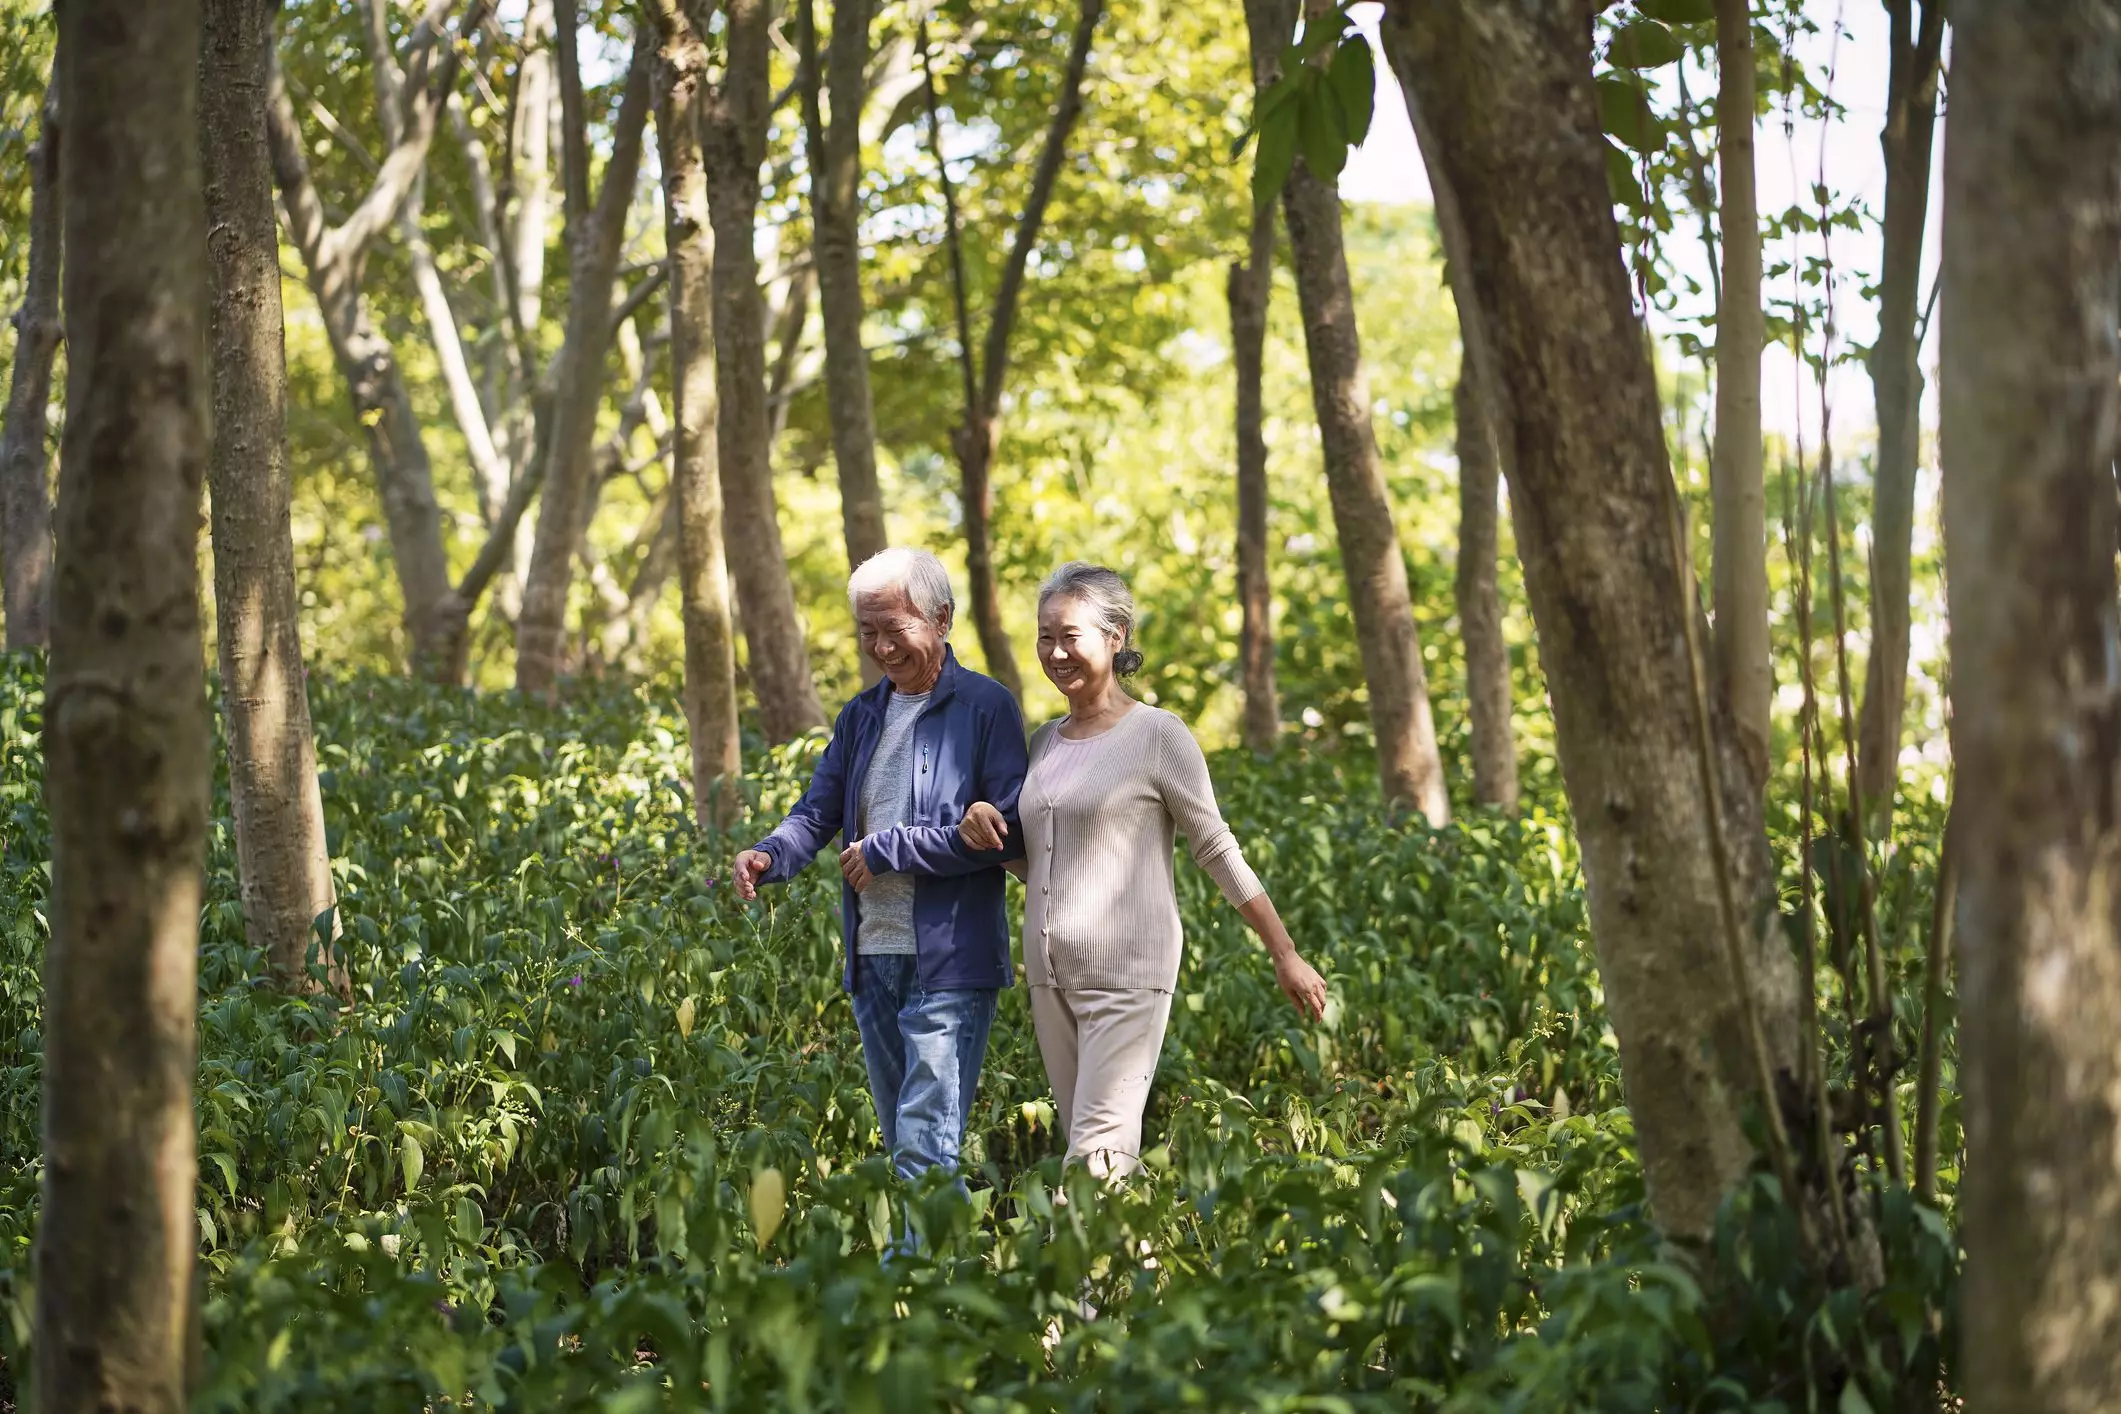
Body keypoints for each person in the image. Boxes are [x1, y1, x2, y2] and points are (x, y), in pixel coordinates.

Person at [959, 562, 1328, 1178]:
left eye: (1069, 635)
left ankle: (1072, 1273)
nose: (1054, 652)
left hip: (1128, 974)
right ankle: (1133, 1272)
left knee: (1094, 1163)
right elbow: (1046, 862)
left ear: (1116, 636)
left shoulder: (1158, 735)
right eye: (1045, 636)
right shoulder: (1045, 742)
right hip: (1051, 976)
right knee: (1099, 1153)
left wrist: (1283, 951)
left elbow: (1216, 846)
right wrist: (985, 833)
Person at [733, 548, 1028, 1181]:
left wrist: (888, 847)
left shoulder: (987, 707)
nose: (882, 647)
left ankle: (912, 1281)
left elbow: (1004, 834)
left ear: (942, 618)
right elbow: (816, 812)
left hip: (951, 964)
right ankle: (936, 1273)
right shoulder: (861, 715)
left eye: (895, 629)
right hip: (873, 959)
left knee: (925, 1152)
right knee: (907, 1147)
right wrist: (770, 853)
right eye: (868, 631)